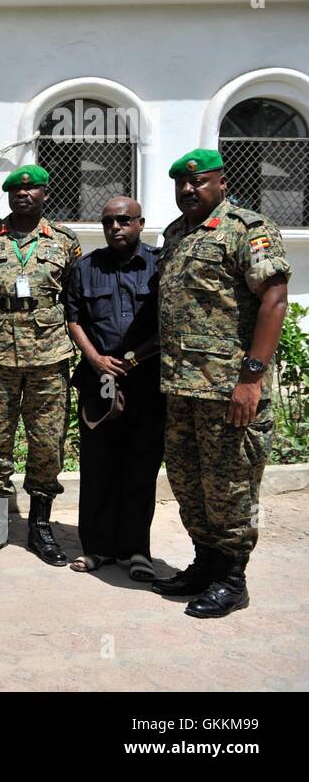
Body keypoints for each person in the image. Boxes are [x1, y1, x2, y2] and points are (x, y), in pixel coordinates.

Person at [152, 149, 290, 618]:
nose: (189, 190)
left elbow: (273, 300)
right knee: (189, 483)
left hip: (229, 389)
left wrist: (251, 378)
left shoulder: (247, 228)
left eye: (199, 182)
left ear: (222, 183)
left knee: (230, 484)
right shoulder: (176, 234)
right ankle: (205, 563)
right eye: (182, 185)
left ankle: (233, 579)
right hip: (182, 387)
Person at [0, 164, 81, 565]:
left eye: (32, 189)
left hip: (49, 357)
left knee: (46, 443)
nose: (24, 195)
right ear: (9, 196)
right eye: (16, 190)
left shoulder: (64, 242)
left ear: (44, 194)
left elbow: (73, 298)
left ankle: (39, 525)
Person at [64, 196, 164, 581]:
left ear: (140, 223)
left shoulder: (160, 265)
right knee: (98, 467)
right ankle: (98, 548)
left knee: (140, 467)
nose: (115, 228)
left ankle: (136, 550)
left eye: (123, 220)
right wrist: (94, 359)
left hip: (146, 385)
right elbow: (74, 319)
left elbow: (169, 321)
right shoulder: (86, 268)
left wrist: (136, 357)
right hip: (99, 383)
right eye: (108, 222)